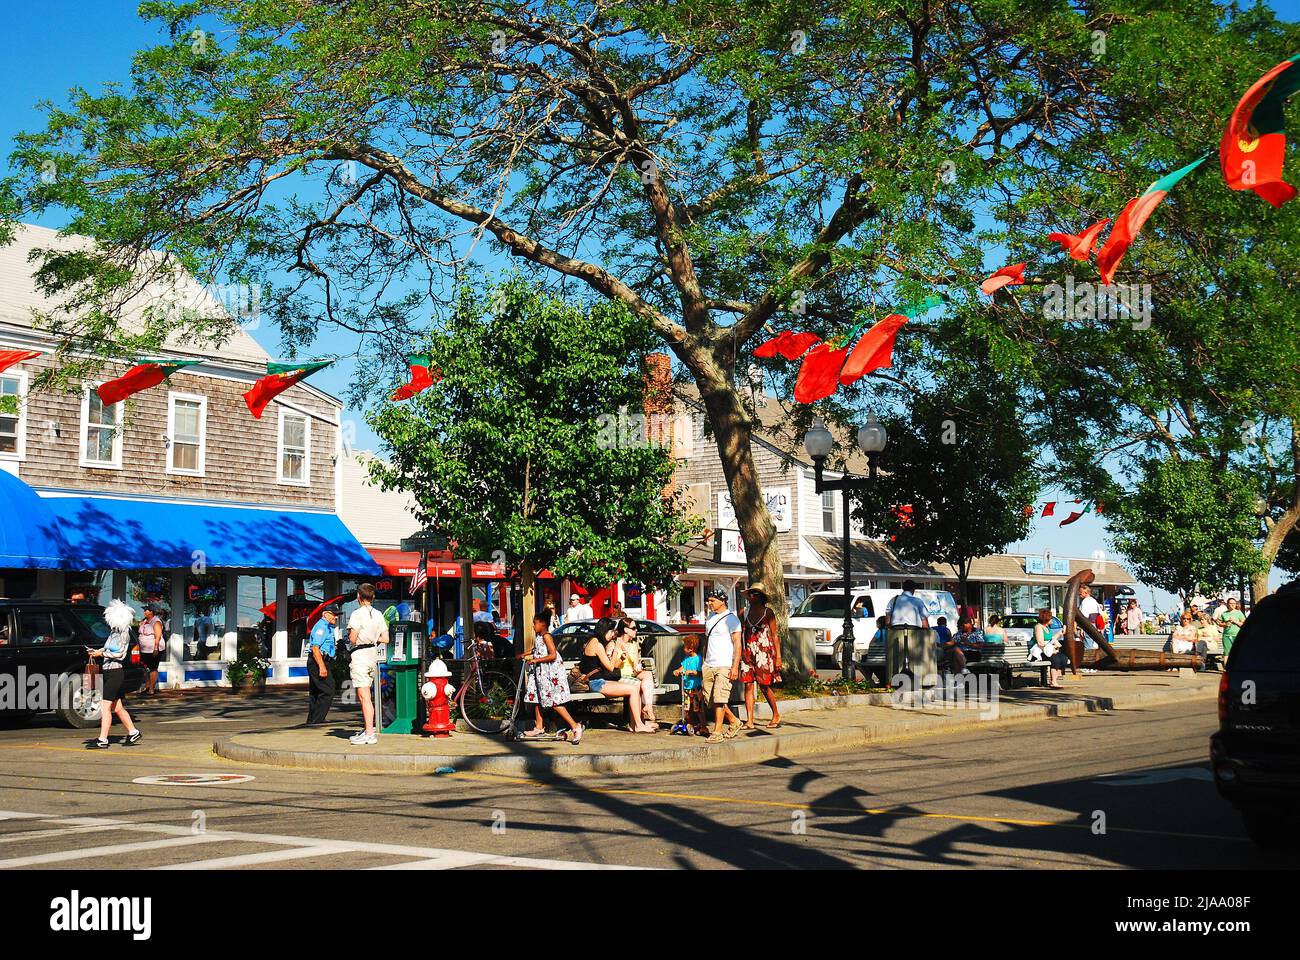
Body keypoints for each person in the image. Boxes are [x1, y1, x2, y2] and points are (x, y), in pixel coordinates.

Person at [579, 618, 656, 733]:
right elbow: (610, 667)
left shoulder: (594, 642)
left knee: (635, 688)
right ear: (605, 630)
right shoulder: (597, 645)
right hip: (597, 682)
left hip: (600, 680)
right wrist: (617, 648)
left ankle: (636, 724)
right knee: (634, 689)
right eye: (611, 631)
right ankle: (638, 725)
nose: (612, 635)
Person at [521, 613, 584, 744]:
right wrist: (522, 655)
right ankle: (539, 727)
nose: (533, 626)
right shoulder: (539, 637)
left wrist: (536, 660)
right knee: (536, 697)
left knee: (554, 702)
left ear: (542, 624)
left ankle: (575, 726)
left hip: (549, 674)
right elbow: (535, 650)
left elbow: (553, 655)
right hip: (540, 673)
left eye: (535, 623)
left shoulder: (547, 636)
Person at [87, 600, 142, 749]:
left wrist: (101, 652)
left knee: (105, 708)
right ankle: (133, 731)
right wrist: (96, 651)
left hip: (115, 673)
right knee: (117, 707)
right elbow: (108, 649)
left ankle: (103, 740)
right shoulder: (114, 632)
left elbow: (119, 654)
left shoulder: (124, 634)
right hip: (109, 672)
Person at [346, 583, 390, 745]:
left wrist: (360, 637)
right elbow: (386, 638)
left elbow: (352, 638)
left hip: (360, 654)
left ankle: (370, 733)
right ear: (373, 597)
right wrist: (373, 638)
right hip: (372, 654)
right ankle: (368, 729)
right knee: (366, 694)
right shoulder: (378, 614)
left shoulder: (357, 614)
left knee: (363, 695)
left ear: (359, 596)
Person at [701, 589, 744, 743]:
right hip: (709, 664)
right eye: (709, 600)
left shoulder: (732, 620)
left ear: (722, 601)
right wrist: (703, 661)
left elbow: (737, 644)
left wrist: (735, 666)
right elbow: (707, 641)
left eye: (712, 600)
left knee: (719, 699)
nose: (709, 603)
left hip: (724, 664)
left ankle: (717, 732)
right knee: (710, 700)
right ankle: (734, 721)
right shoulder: (710, 617)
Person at [740, 587, 782, 730]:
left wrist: (778, 657)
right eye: (750, 594)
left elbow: (775, 635)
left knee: (764, 685)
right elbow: (741, 633)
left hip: (764, 652)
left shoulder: (767, 612)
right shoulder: (744, 612)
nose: (751, 597)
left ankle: (776, 714)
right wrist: (741, 651)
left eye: (754, 594)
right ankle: (749, 720)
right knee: (748, 684)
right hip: (748, 652)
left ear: (761, 596)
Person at [613, 618, 657, 726]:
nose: (636, 630)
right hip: (620, 675)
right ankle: (637, 723)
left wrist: (638, 667)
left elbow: (636, 664)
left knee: (648, 674)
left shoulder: (633, 644)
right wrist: (621, 659)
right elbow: (612, 666)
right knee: (639, 685)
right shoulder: (615, 643)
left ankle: (648, 707)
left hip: (632, 675)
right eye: (633, 628)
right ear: (625, 630)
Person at [305, 604, 340, 725]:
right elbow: (315, 648)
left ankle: (312, 720)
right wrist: (322, 666)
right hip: (318, 661)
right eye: (334, 614)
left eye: (337, 615)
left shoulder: (328, 627)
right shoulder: (322, 627)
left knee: (316, 692)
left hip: (320, 660)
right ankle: (318, 720)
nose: (336, 617)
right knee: (328, 690)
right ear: (325, 614)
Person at [672, 634, 706, 735]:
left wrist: (692, 672)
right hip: (686, 688)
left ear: (690, 648)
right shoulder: (687, 659)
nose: (683, 648)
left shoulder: (698, 659)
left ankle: (703, 726)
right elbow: (682, 667)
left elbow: (700, 672)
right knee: (686, 708)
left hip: (696, 688)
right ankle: (690, 724)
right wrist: (678, 671)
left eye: (685, 647)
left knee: (698, 708)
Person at [1029, 607, 1066, 688]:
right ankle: (1053, 681)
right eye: (1051, 618)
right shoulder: (1038, 627)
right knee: (1055, 659)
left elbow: (1051, 639)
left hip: (1047, 650)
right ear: (1046, 619)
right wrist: (1052, 649)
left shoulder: (1047, 628)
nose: (1052, 620)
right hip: (1040, 652)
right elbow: (1040, 643)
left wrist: (1060, 634)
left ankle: (1055, 678)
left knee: (1063, 658)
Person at [138, 603, 165, 696]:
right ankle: (147, 686)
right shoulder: (144, 621)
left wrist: (156, 648)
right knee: (144, 667)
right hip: (143, 649)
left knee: (153, 668)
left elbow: (158, 635)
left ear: (152, 612)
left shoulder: (156, 621)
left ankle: (152, 688)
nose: (145, 612)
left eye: (147, 610)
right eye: (144, 610)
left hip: (153, 649)